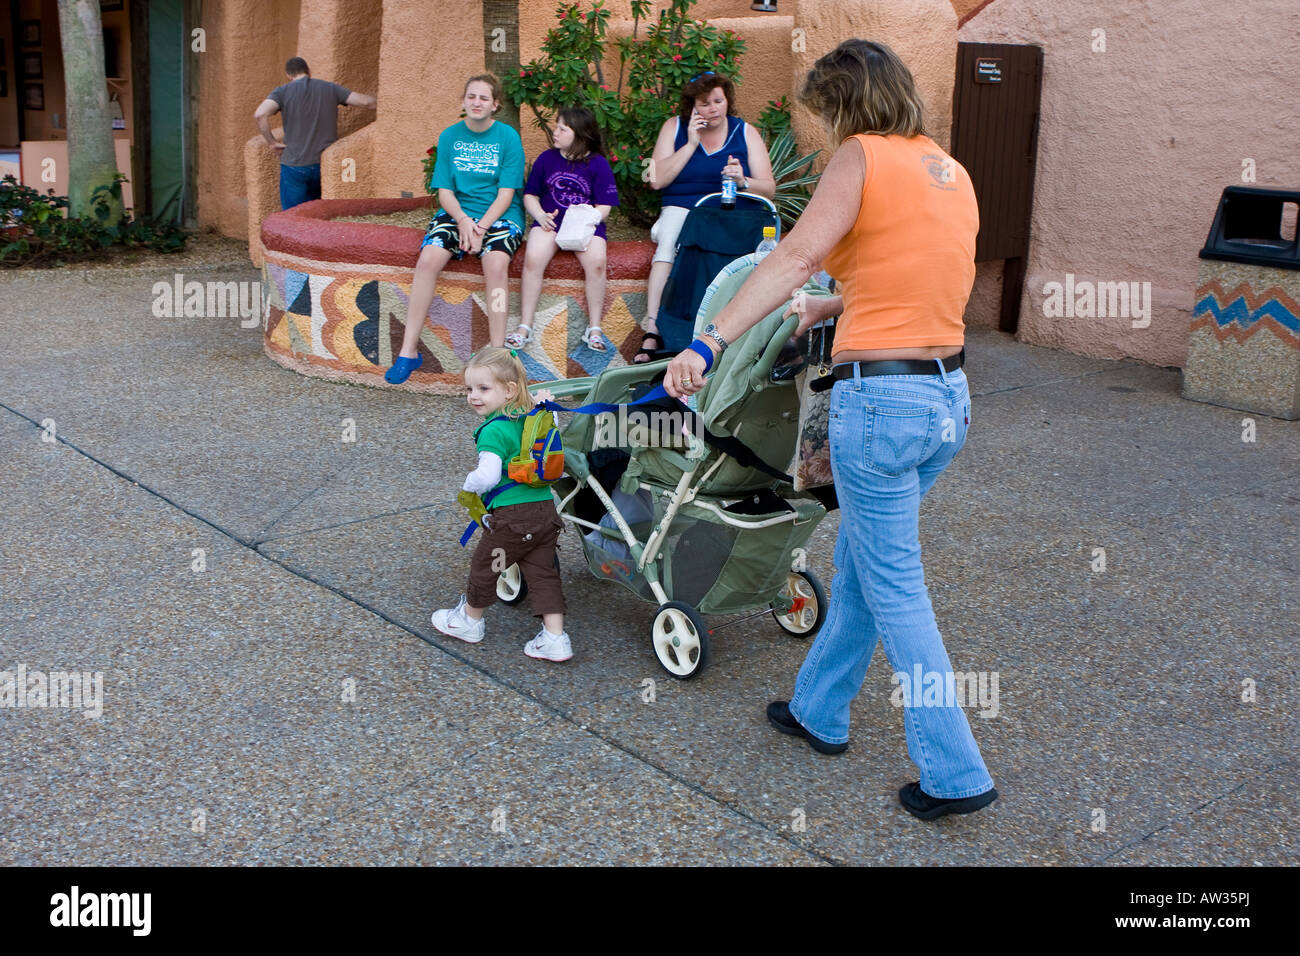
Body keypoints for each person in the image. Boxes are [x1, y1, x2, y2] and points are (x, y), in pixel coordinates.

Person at [664, 40, 998, 821]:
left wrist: (708, 341)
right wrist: (832, 304)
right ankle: (820, 710)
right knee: (862, 565)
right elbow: (920, 272)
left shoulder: (860, 157)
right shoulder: (949, 171)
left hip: (879, 407)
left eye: (826, 113)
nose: (821, 131)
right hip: (947, 398)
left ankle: (955, 772)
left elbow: (791, 256)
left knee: (897, 586)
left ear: (848, 104)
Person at [432, 347, 572, 662]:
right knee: (543, 573)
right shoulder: (532, 418)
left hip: (512, 519)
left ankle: (470, 621)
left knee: (486, 566)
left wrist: (469, 485)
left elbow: (489, 475)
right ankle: (555, 638)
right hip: (545, 514)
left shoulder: (493, 430)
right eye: (469, 389)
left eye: (483, 388)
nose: (473, 396)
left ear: (509, 390)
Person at [385, 74, 526, 384]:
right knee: (428, 259)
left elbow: (506, 194)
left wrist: (481, 227)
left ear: (495, 105)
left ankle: (499, 353)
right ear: (463, 101)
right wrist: (463, 220)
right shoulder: (450, 136)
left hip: (500, 215)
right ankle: (408, 350)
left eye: (484, 98)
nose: (477, 103)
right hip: (457, 212)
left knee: (496, 264)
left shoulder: (508, 137)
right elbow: (445, 192)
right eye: (471, 97)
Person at [637, 72, 776, 362]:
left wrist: (743, 181)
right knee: (668, 242)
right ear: (692, 107)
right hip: (683, 207)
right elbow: (655, 180)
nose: (713, 108)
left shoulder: (745, 132)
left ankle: (743, 328)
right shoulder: (673, 127)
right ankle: (654, 329)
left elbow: (769, 188)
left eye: (718, 101)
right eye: (705, 103)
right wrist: (689, 144)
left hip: (727, 208)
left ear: (727, 101)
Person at [507, 107, 619, 353]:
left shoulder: (598, 164)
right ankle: (525, 325)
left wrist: (585, 219)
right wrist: (539, 215)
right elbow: (530, 195)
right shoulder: (547, 159)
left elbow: (605, 206)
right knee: (533, 259)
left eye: (562, 129)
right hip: (551, 223)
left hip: (584, 227)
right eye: (556, 127)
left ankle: (595, 327)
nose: (554, 132)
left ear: (580, 134)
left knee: (597, 262)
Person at [254, 57, 376, 210]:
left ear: (289, 76)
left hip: (294, 166)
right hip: (323, 164)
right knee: (319, 215)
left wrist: (272, 143)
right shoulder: (330, 88)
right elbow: (366, 102)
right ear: (309, 71)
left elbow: (260, 115)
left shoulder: (282, 92)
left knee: (293, 217)